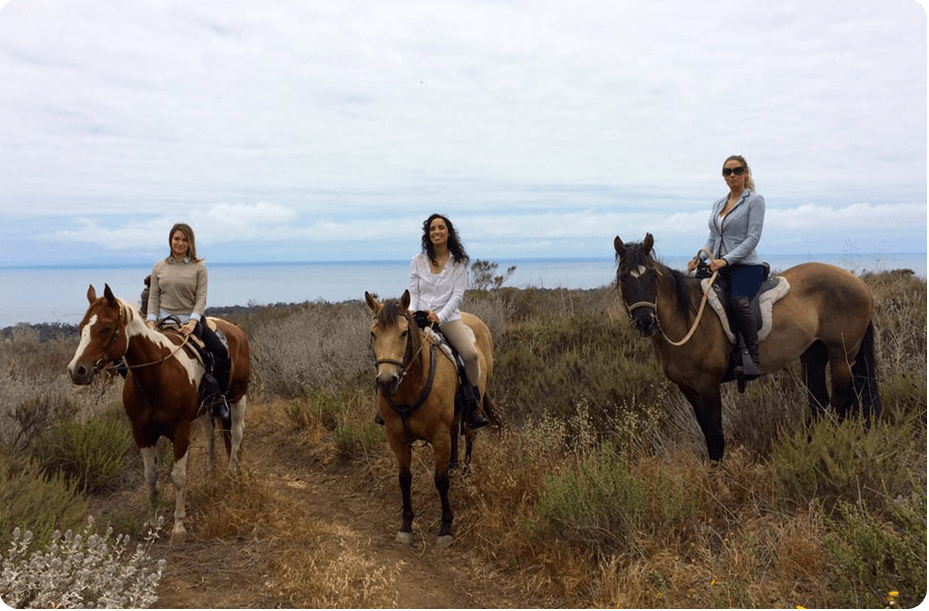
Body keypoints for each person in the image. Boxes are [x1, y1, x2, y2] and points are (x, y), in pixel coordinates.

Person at [687, 155, 766, 378]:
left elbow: (753, 238)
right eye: (727, 172)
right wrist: (698, 259)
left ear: (746, 173)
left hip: (746, 267)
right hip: (719, 266)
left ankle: (752, 356)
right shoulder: (718, 204)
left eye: (737, 171)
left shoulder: (755, 201)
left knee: (739, 303)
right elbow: (713, 238)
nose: (732, 175)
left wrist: (727, 259)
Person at [407, 213, 489, 429]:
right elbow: (413, 294)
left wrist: (439, 316)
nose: (437, 232)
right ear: (428, 233)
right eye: (433, 228)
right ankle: (384, 408)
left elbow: (458, 295)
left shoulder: (459, 262)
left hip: (447, 318)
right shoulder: (417, 261)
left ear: (448, 232)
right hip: (420, 316)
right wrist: (412, 313)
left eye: (441, 228)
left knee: (470, 356)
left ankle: (472, 406)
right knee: (392, 349)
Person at [146, 223, 231, 418]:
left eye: (184, 240)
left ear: (190, 242)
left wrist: (192, 323)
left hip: (190, 319)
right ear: (170, 240)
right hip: (163, 321)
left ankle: (220, 399)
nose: (180, 243)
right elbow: (153, 297)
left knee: (220, 351)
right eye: (177, 239)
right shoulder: (159, 267)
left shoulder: (199, 268)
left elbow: (201, 298)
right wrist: (150, 322)